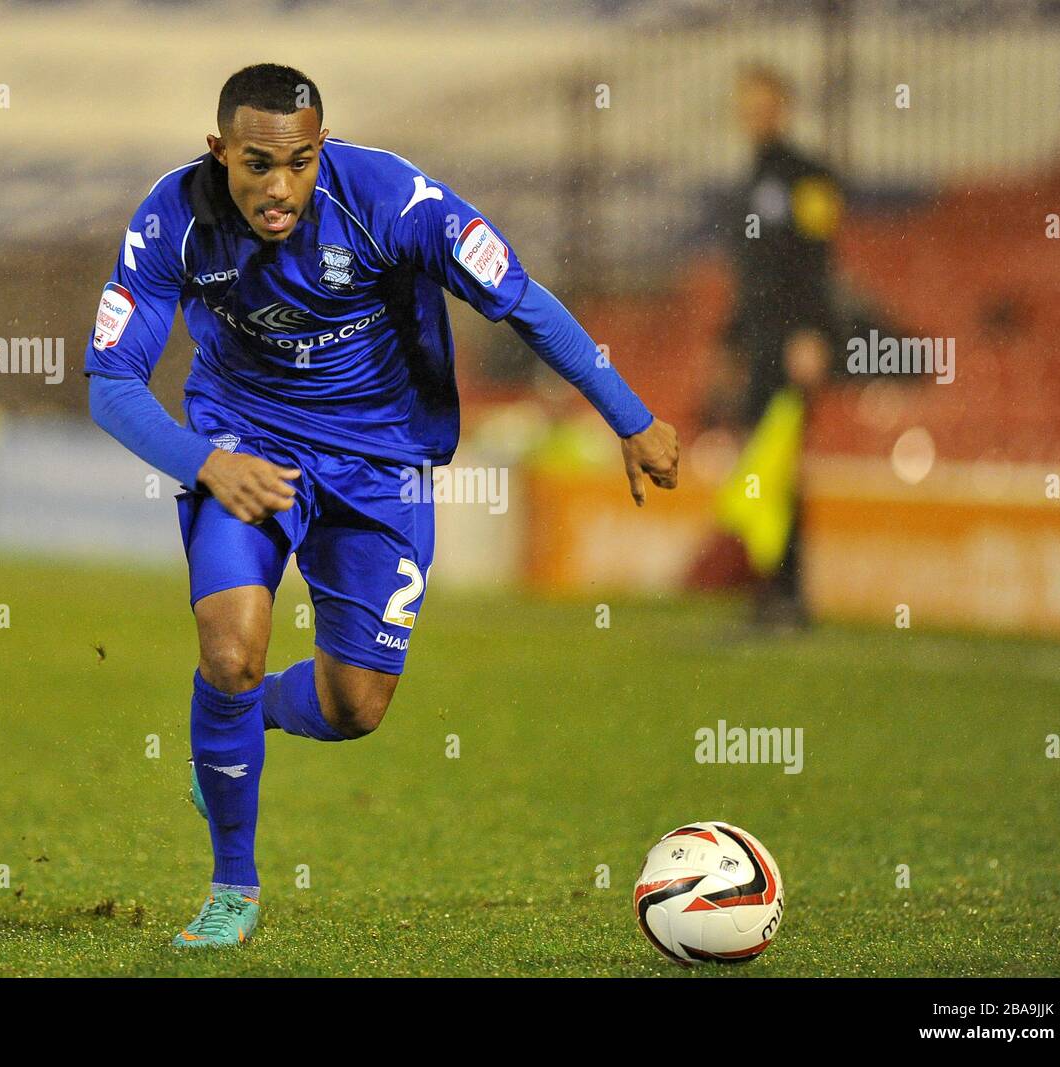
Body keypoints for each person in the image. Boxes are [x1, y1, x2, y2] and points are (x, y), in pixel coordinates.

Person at [84, 64, 679, 948]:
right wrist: (208, 462)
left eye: (299, 162)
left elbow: (522, 300)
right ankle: (233, 886)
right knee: (233, 648)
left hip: (382, 461)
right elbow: (111, 382)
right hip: (249, 444)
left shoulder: (396, 202)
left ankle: (241, 716)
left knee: (356, 704)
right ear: (219, 152)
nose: (279, 188)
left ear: (321, 149)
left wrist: (630, 416)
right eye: (256, 164)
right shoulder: (171, 217)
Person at [722, 63, 843, 629]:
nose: (754, 113)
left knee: (779, 467)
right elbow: (749, 273)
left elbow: (820, 263)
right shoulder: (749, 178)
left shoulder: (807, 176)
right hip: (759, 343)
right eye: (747, 103)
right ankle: (770, 592)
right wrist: (731, 339)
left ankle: (788, 594)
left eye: (763, 102)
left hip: (790, 343)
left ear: (783, 106)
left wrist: (813, 333)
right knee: (760, 468)